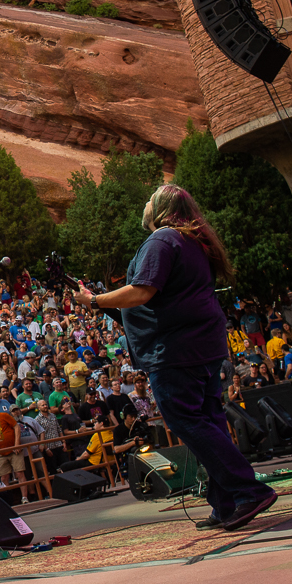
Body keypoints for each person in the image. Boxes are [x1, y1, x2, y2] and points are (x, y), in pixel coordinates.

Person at [73, 184, 276, 531]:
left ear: (163, 209)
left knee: (187, 421)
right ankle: (225, 503)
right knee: (208, 420)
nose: (145, 202)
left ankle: (247, 490)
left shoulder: (161, 240)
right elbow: (153, 304)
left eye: (150, 198)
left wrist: (94, 301)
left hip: (176, 350)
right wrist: (102, 302)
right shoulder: (191, 241)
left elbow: (141, 292)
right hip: (202, 344)